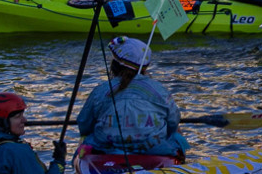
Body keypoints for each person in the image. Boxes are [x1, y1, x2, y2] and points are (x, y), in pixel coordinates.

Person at [75, 36, 187, 166]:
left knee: (85, 140)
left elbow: (84, 123)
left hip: (105, 149)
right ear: (145, 68)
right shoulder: (160, 90)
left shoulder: (100, 90)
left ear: (114, 65)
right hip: (154, 149)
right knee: (177, 134)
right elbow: (173, 122)